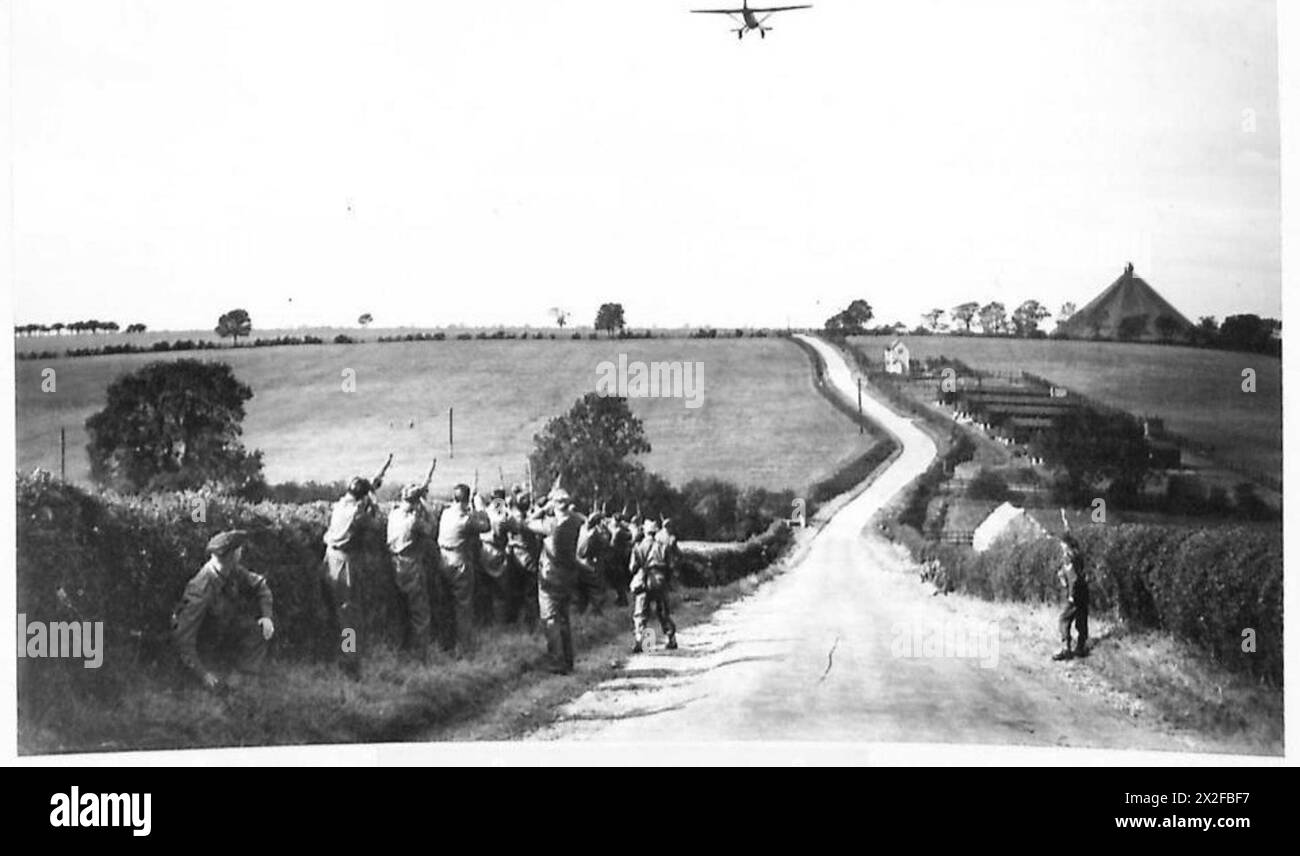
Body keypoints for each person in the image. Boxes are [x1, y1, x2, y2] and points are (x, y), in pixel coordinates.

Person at [171, 529, 274, 689]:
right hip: (207, 649)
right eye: (239, 549)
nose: (242, 552)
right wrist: (203, 673)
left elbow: (260, 584)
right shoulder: (200, 588)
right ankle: (230, 686)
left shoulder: (231, 570)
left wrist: (267, 616)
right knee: (214, 689)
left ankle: (243, 680)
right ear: (233, 555)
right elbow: (183, 638)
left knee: (259, 629)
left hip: (225, 634)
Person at [322, 464, 388, 678]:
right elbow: (376, 523)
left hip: (329, 558)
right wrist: (373, 499)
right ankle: (350, 662)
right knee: (349, 616)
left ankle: (341, 656)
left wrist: (368, 490)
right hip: (344, 564)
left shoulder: (341, 504)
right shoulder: (358, 513)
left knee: (339, 612)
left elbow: (357, 502)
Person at [522, 487, 584, 673]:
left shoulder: (551, 524)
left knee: (550, 618)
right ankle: (568, 659)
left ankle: (557, 660)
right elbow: (578, 515)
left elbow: (526, 523)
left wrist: (542, 509)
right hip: (568, 574)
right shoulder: (575, 521)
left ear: (555, 505)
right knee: (564, 617)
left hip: (550, 576)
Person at [437, 483, 490, 655]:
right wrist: (481, 506)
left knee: (448, 604)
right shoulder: (469, 519)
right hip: (478, 561)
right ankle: (465, 648)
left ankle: (447, 645)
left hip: (444, 560)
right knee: (464, 606)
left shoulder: (446, 513)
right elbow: (488, 524)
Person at [387, 483, 434, 658]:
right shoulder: (414, 520)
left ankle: (401, 650)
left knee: (401, 610)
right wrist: (425, 506)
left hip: (395, 563)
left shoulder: (394, 514)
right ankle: (422, 655)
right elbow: (431, 528)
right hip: (412, 565)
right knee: (420, 611)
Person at [628, 518, 678, 653]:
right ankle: (671, 638)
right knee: (663, 612)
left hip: (644, 581)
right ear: (655, 532)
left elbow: (632, 567)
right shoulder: (663, 546)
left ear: (644, 532)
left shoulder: (638, 547)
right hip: (660, 581)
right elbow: (670, 567)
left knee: (641, 613)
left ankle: (641, 641)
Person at [476, 488, 517, 624]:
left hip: (484, 550)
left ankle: (487, 619)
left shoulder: (486, 510)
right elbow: (514, 527)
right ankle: (502, 620)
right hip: (497, 551)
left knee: (486, 587)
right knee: (502, 587)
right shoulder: (502, 511)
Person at [505, 487, 542, 630]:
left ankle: (513, 621)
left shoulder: (509, 516)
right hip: (527, 559)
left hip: (514, 556)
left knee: (515, 591)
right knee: (530, 593)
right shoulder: (526, 522)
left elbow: (498, 505)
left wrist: (500, 497)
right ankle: (531, 625)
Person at [1052, 534, 1089, 661]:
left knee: (1064, 619)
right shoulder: (1079, 556)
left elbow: (1073, 577)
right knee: (1081, 620)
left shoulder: (1068, 558)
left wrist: (1072, 595)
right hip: (1084, 592)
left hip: (1074, 594)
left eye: (1062, 544)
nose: (1061, 546)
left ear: (1067, 545)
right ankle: (1081, 647)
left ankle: (1066, 648)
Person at [574, 507, 609, 615]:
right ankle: (596, 612)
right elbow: (606, 542)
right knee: (596, 591)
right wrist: (605, 529)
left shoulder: (582, 530)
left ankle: (581, 611)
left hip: (579, 562)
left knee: (582, 590)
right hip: (591, 563)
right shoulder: (595, 534)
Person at [604, 510, 634, 607]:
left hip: (615, 557)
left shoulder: (616, 530)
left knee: (618, 580)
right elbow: (630, 536)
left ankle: (622, 599)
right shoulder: (620, 531)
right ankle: (622, 599)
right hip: (618, 557)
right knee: (618, 579)